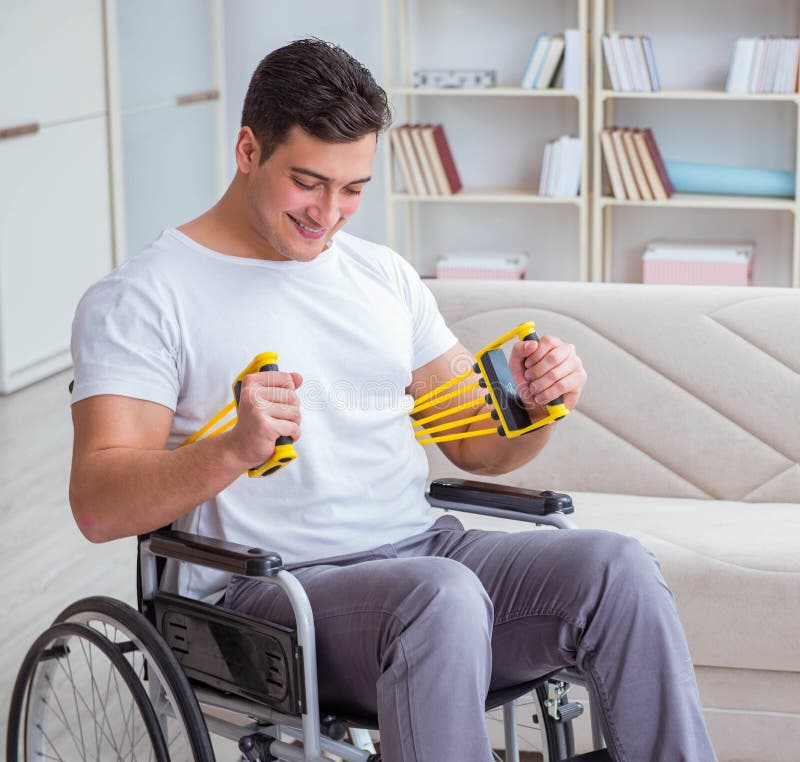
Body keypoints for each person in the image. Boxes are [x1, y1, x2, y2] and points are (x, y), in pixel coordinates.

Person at [70, 39, 717, 762]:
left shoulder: (383, 276)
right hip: (273, 600)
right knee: (440, 595)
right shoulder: (145, 296)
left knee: (617, 569)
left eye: (353, 189)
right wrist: (230, 450)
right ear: (248, 149)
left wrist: (534, 408)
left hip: (426, 560)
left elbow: (477, 446)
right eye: (309, 183)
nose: (330, 213)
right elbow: (99, 505)